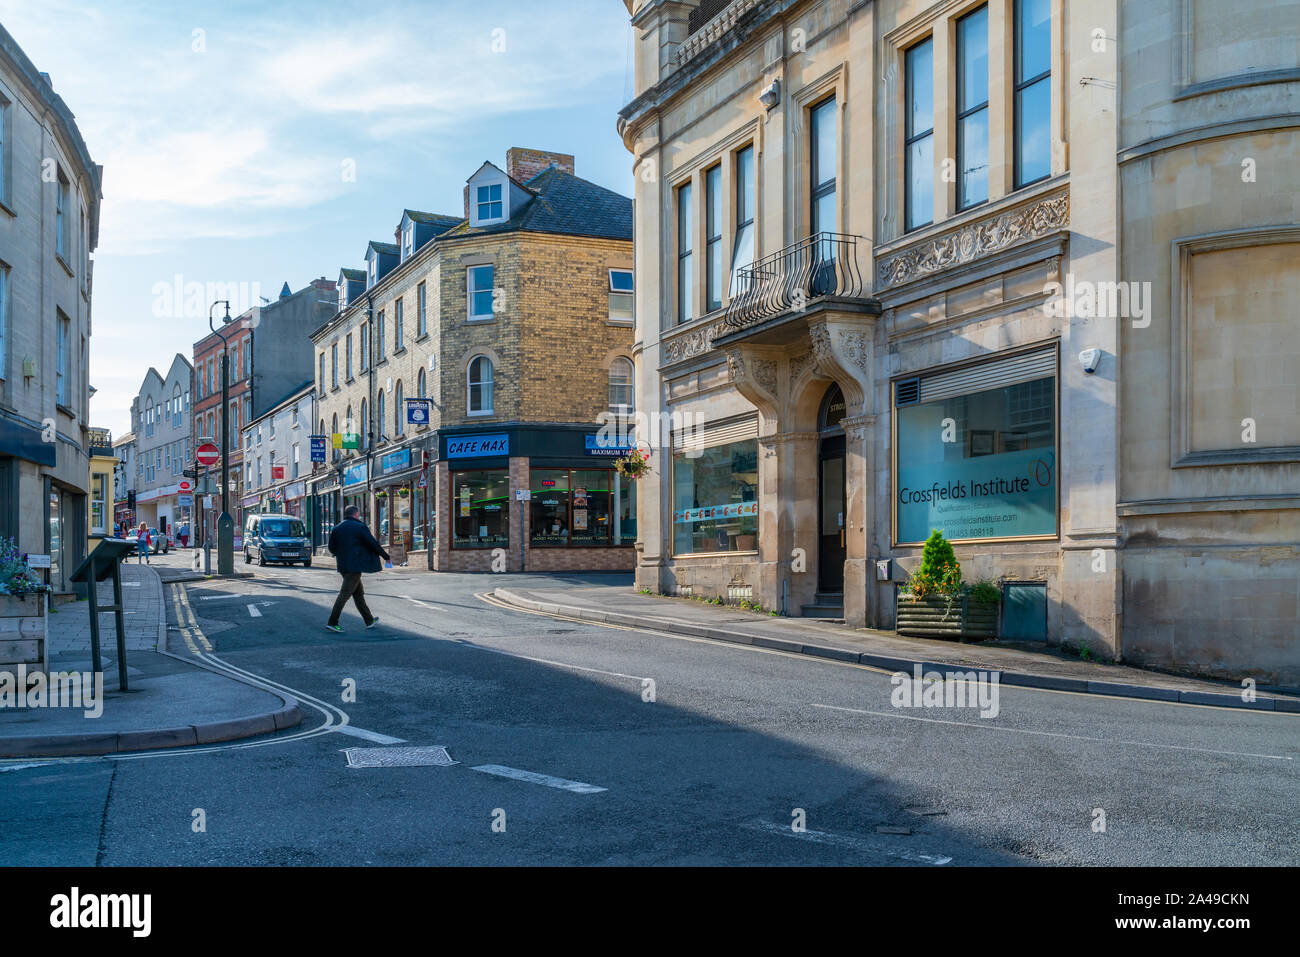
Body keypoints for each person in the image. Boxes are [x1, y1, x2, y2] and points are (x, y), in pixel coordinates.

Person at [325, 505, 389, 633]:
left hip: (343, 565)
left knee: (358, 594)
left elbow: (331, 548)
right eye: (358, 514)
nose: (359, 516)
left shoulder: (337, 528)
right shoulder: (359, 527)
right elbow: (373, 543)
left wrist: (342, 554)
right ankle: (332, 622)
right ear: (355, 514)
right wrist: (386, 556)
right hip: (355, 566)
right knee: (344, 595)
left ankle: (369, 620)